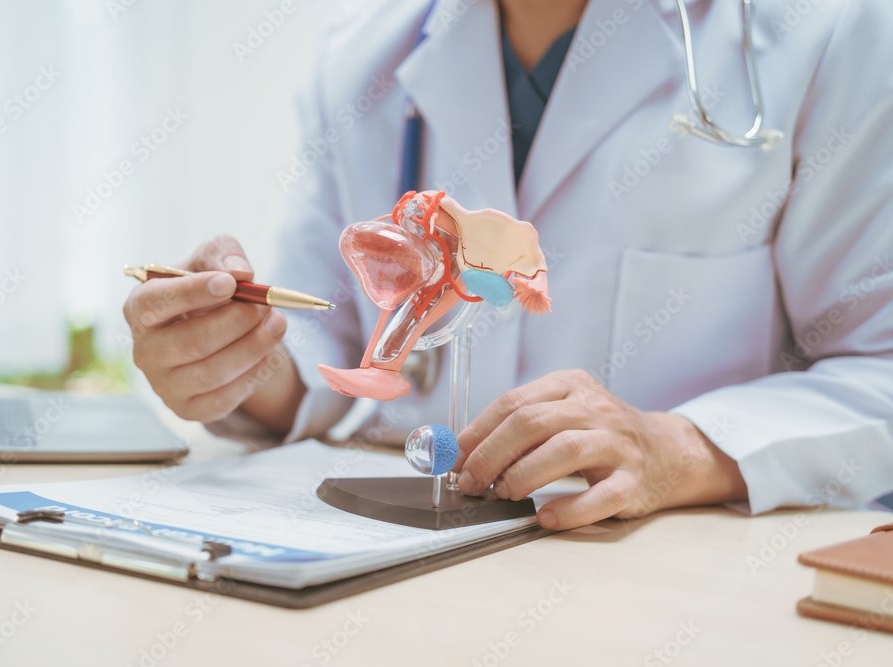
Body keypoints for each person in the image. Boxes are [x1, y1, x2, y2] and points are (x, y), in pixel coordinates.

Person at [123, 0, 893, 530]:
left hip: (683, 574)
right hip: (424, 564)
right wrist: (236, 361)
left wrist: (677, 448)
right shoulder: (365, 51)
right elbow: (326, 335)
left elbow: (879, 370)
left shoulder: (822, 30)